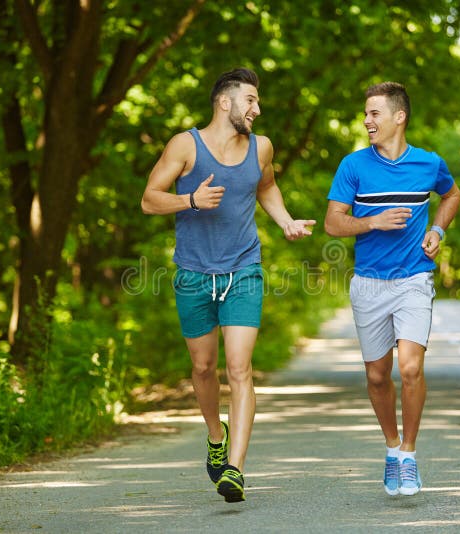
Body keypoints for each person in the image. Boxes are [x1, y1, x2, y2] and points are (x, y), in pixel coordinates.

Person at [140, 68, 315, 503]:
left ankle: (234, 468)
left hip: (243, 270)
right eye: (250, 100)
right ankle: (215, 438)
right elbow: (149, 199)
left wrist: (286, 221)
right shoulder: (185, 145)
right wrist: (190, 200)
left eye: (257, 101)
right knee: (203, 368)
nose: (257, 109)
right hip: (193, 273)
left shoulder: (261, 147)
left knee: (239, 368)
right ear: (225, 102)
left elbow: (267, 187)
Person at [324, 82, 460, 496]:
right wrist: (372, 222)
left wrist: (437, 230)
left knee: (411, 368)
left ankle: (409, 455)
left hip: (414, 279)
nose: (367, 121)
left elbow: (452, 195)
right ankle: (390, 446)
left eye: (374, 114)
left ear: (399, 117)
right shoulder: (353, 166)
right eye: (365, 114)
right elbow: (332, 223)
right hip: (369, 283)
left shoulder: (428, 163)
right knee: (377, 375)